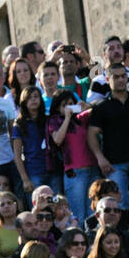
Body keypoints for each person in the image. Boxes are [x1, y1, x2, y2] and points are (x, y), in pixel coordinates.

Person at [86, 64, 129, 210]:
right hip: (114, 164)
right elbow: (91, 133)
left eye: (123, 76)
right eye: (116, 77)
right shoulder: (101, 107)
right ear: (107, 79)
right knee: (119, 205)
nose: (120, 80)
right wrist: (100, 158)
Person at [47, 89, 97, 226]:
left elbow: (100, 106)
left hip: (92, 169)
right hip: (75, 172)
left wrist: (88, 106)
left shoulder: (82, 119)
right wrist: (67, 117)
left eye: (71, 104)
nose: (68, 107)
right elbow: (57, 139)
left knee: (93, 215)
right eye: (64, 105)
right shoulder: (54, 121)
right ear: (57, 107)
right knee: (78, 216)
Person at [11, 85, 49, 199]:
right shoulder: (19, 124)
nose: (33, 100)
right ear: (23, 102)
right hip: (33, 172)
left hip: (53, 170)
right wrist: (25, 179)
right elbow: (17, 156)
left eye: (36, 96)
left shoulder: (48, 120)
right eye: (29, 97)